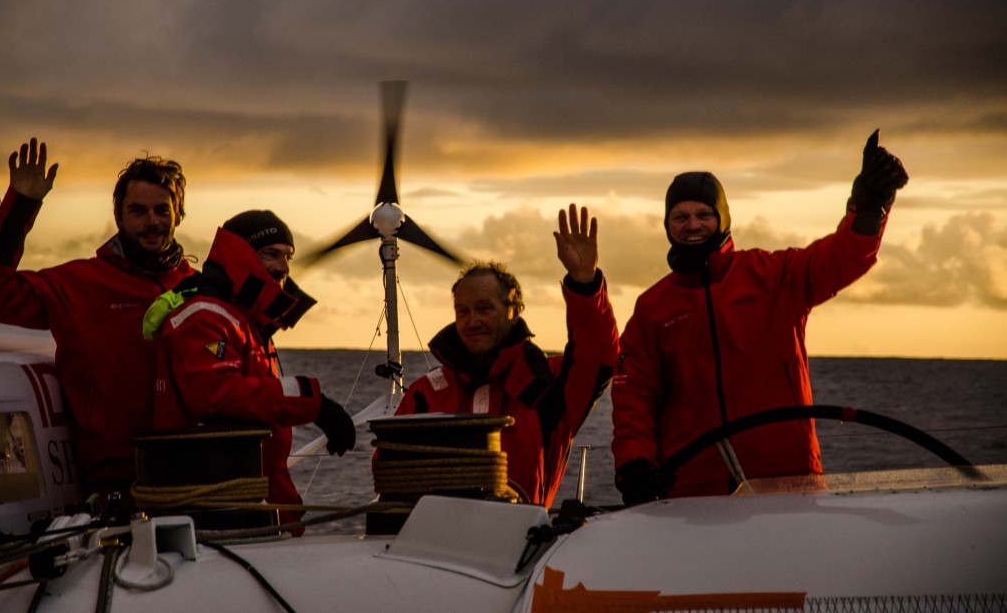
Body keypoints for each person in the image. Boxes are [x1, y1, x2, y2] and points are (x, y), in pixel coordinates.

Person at [611, 130, 909, 504]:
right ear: (667, 225)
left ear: (723, 219)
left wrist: (869, 207)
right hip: (691, 492)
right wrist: (634, 463)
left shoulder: (774, 275)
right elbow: (633, 396)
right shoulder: (653, 306)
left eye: (704, 214)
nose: (692, 225)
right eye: (680, 216)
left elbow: (840, 258)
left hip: (786, 483)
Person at [0, 137, 195, 500]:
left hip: (196, 474)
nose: (151, 222)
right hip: (114, 483)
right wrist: (21, 204)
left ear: (178, 215)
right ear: (119, 216)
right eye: (138, 211)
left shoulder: (200, 292)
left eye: (162, 210)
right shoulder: (78, 285)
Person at [392, 204, 620, 508]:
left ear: (514, 312)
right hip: (433, 548)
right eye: (463, 311)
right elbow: (389, 467)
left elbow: (599, 357)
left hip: (519, 545)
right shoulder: (423, 394)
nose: (472, 321)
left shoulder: (549, 385)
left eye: (485, 308)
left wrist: (585, 283)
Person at [144, 210, 356, 532]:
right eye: (271, 254)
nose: (283, 267)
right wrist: (313, 402)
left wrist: (287, 512)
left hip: (255, 512)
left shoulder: (246, 324)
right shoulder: (205, 318)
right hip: (213, 520)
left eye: (288, 257)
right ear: (240, 255)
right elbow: (216, 395)